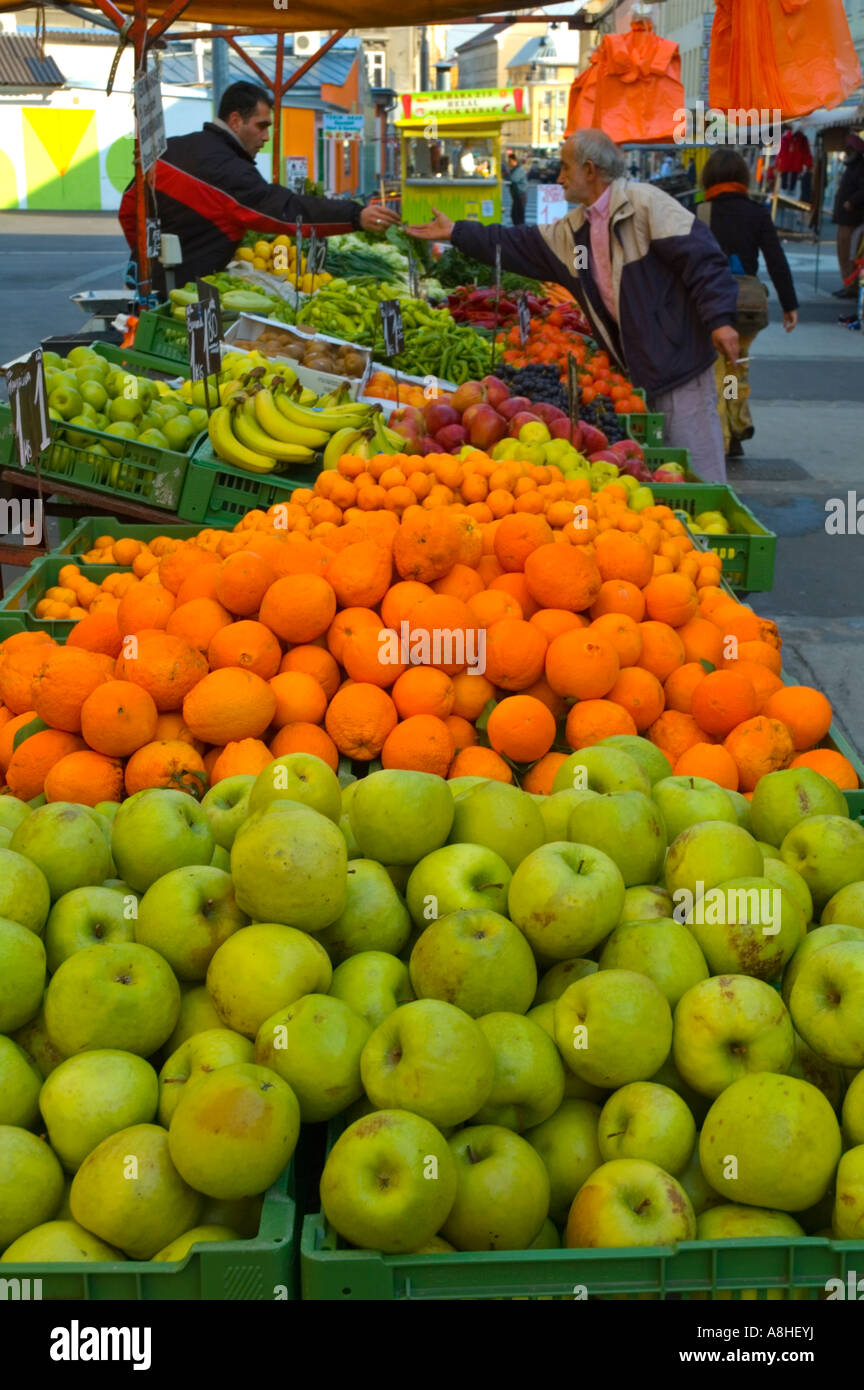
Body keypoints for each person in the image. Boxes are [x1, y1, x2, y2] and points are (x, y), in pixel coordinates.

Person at [404, 129, 739, 483]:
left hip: (679, 361)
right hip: (639, 371)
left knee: (699, 469)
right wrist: (457, 232)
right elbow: (515, 242)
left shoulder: (644, 204)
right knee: (663, 471)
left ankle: (710, 535)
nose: (559, 177)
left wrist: (720, 319)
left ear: (590, 170)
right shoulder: (574, 229)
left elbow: (703, 256)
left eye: (565, 168)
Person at [119, 81, 399, 293]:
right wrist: (354, 216)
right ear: (236, 121)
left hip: (144, 286)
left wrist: (146, 259)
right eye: (261, 126)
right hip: (183, 294)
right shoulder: (229, 169)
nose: (266, 137)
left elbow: (129, 209)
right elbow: (283, 211)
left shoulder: (172, 149)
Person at [698, 148, 798, 459]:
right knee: (736, 366)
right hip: (747, 309)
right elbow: (777, 261)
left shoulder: (699, 213)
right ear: (742, 178)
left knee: (716, 371)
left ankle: (723, 437)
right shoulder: (757, 213)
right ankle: (738, 424)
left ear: (708, 177)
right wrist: (788, 304)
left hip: (710, 307)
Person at [833, 133, 864, 299]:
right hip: (845, 219)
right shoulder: (852, 167)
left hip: (852, 219)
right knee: (843, 253)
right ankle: (847, 283)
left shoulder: (860, 167)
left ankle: (851, 285)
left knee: (849, 254)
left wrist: (851, 202)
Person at [505, 153, 528, 226]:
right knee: (514, 215)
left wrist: (506, 176)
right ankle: (518, 231)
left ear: (515, 161)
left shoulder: (518, 169)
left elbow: (513, 179)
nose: (509, 163)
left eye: (510, 161)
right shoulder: (514, 169)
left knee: (519, 216)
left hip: (520, 195)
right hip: (516, 195)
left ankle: (521, 233)